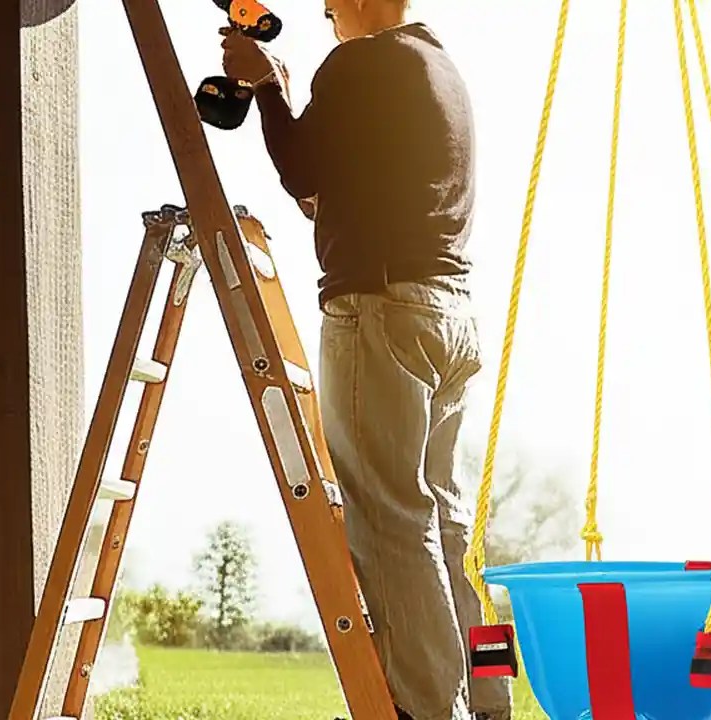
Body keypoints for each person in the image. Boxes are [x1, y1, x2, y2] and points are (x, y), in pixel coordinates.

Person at [221, 3, 509, 719]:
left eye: (327, 11)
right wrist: (281, 95)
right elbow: (333, 191)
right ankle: (489, 701)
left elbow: (301, 167)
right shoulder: (440, 69)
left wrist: (266, 89)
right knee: (441, 517)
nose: (327, 24)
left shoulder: (360, 62)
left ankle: (428, 708)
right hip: (450, 316)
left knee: (389, 518)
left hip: (379, 309)